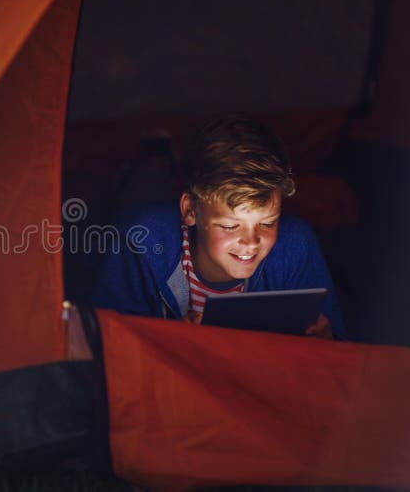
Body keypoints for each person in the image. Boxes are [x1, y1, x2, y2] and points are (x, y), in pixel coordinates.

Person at [91, 113, 345, 339]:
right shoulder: (141, 240)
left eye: (267, 223)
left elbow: (340, 349)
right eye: (230, 226)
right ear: (191, 211)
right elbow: (108, 341)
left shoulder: (296, 244)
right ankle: (152, 161)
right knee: (141, 189)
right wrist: (174, 341)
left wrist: (327, 340)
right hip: (149, 210)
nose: (251, 242)